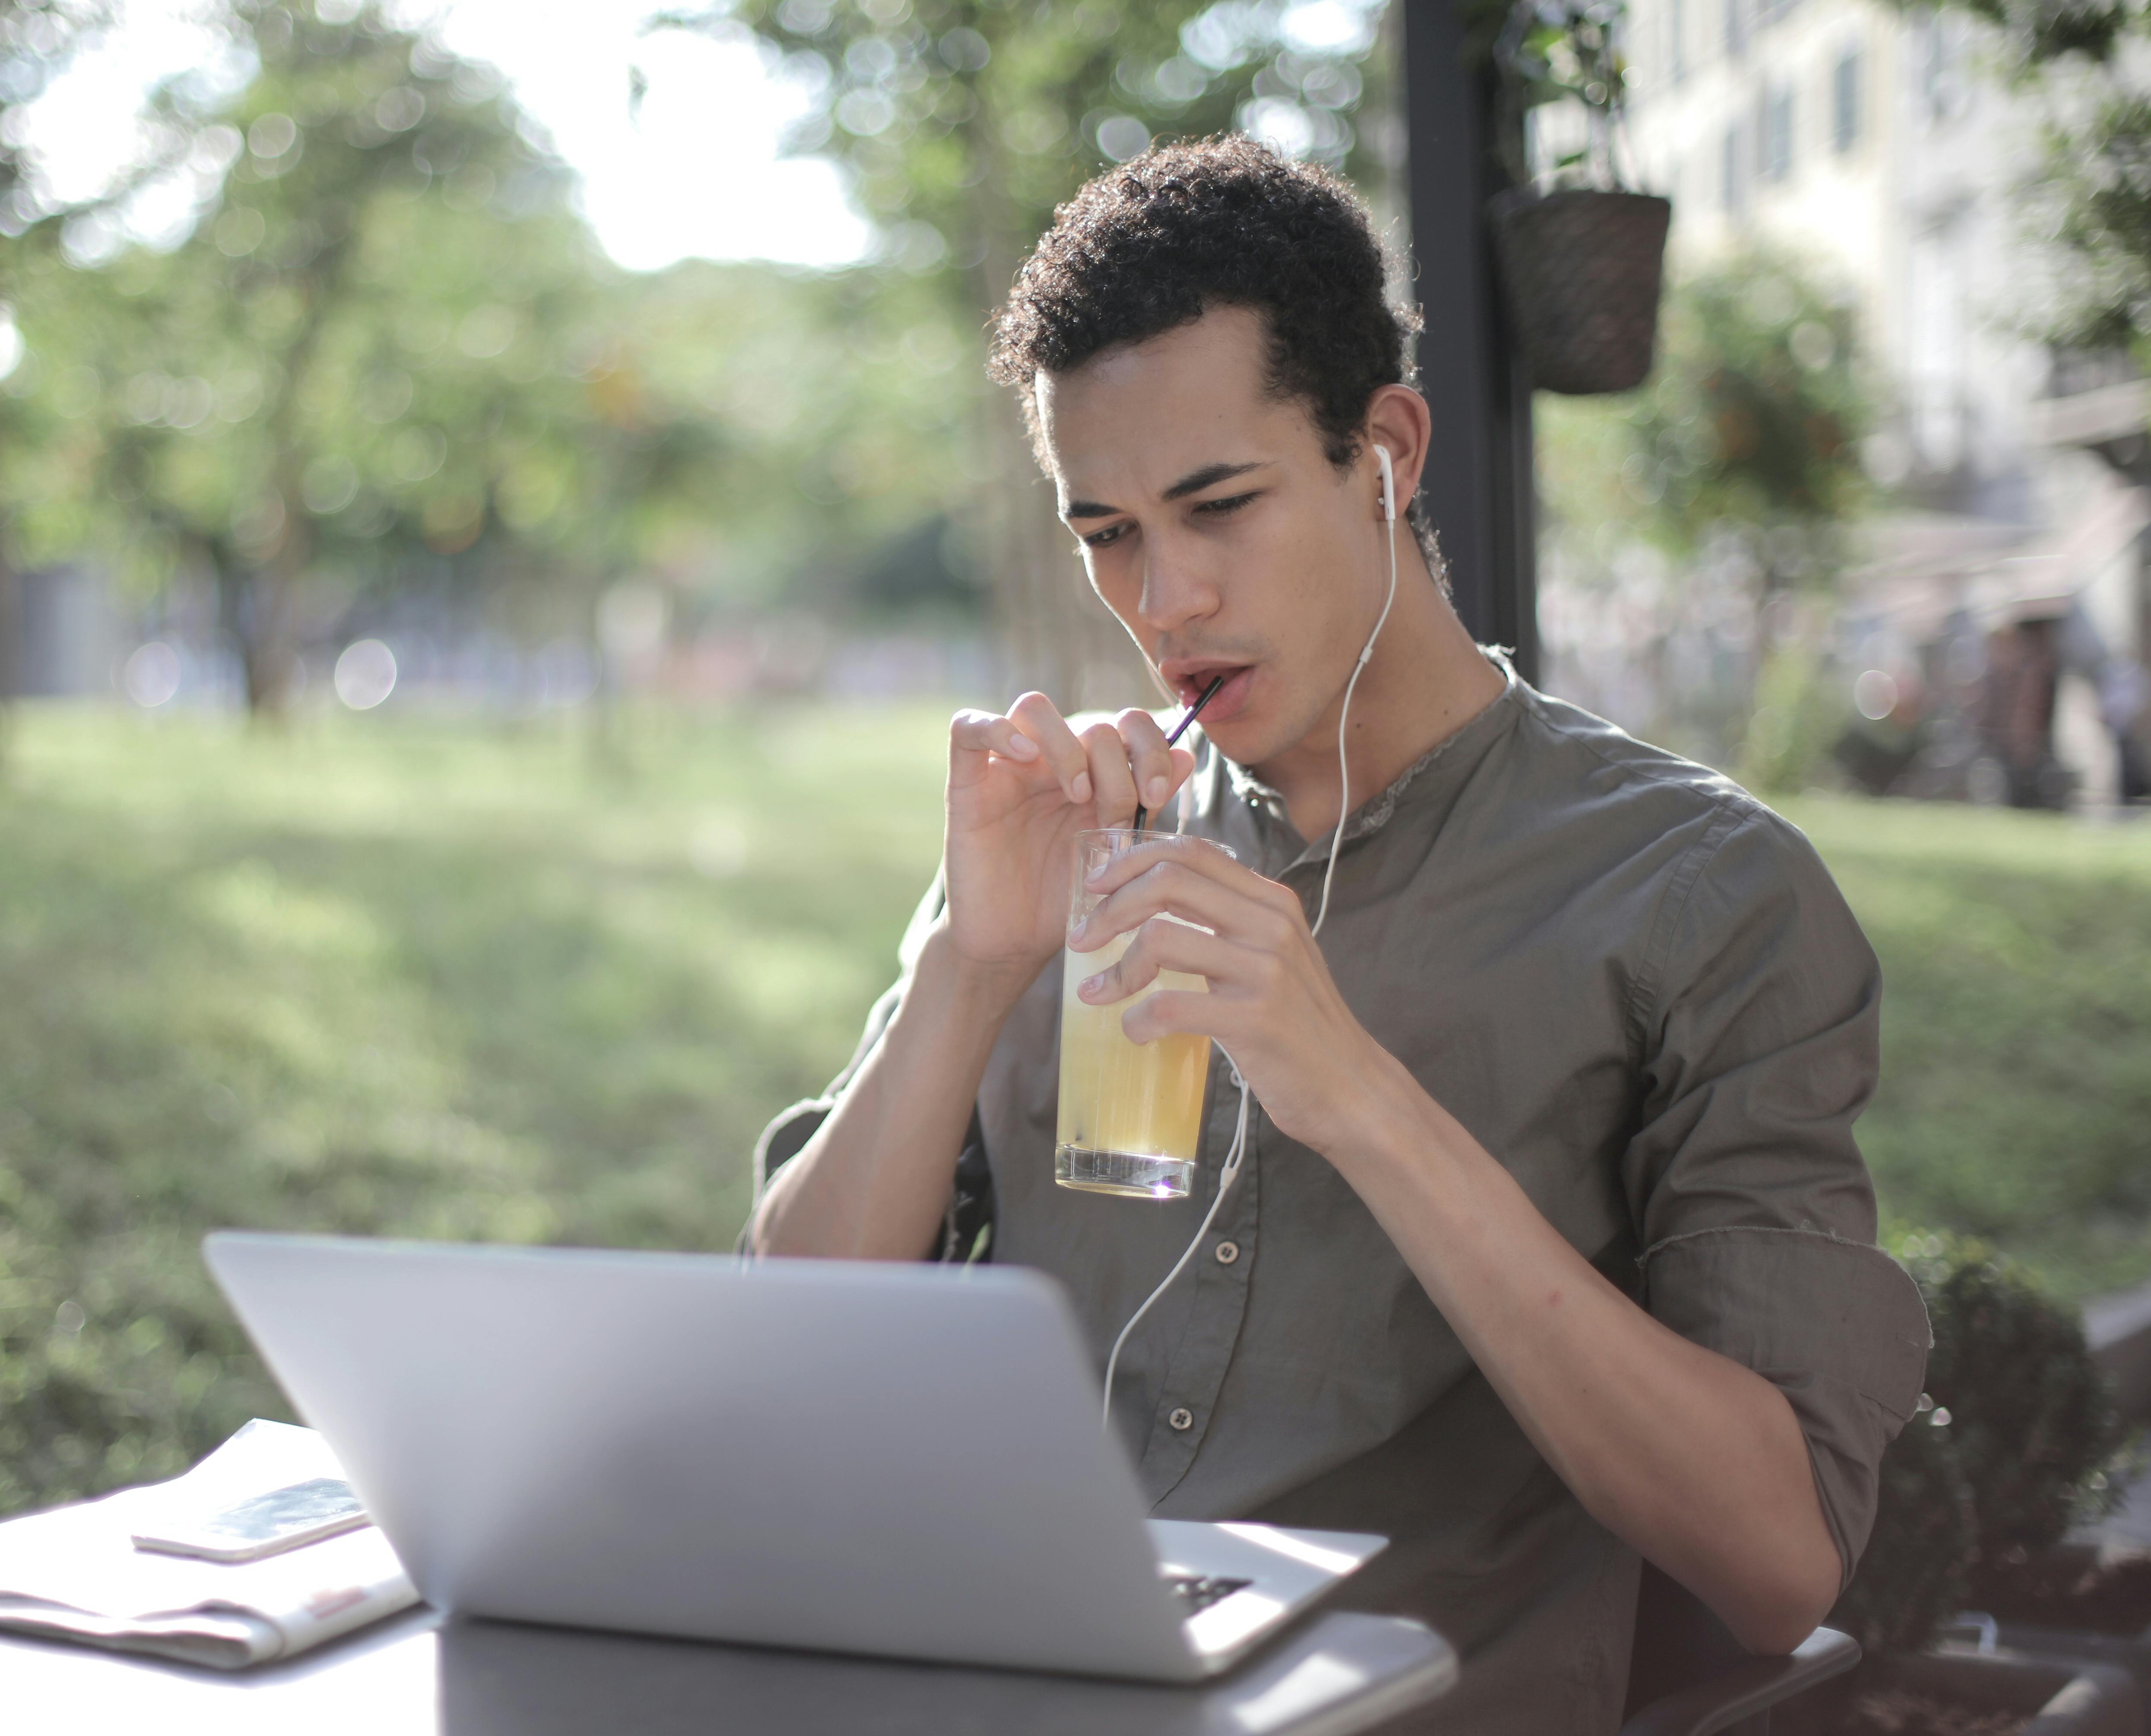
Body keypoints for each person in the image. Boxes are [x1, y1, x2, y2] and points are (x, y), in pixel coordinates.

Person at [746, 137, 1929, 1733]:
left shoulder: (1702, 896)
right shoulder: (1073, 853)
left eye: (1216, 505)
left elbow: (1779, 1560)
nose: (1162, 598)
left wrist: (1357, 1094)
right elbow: (784, 1359)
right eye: (1107, 535)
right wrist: (969, 966)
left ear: (1386, 452)